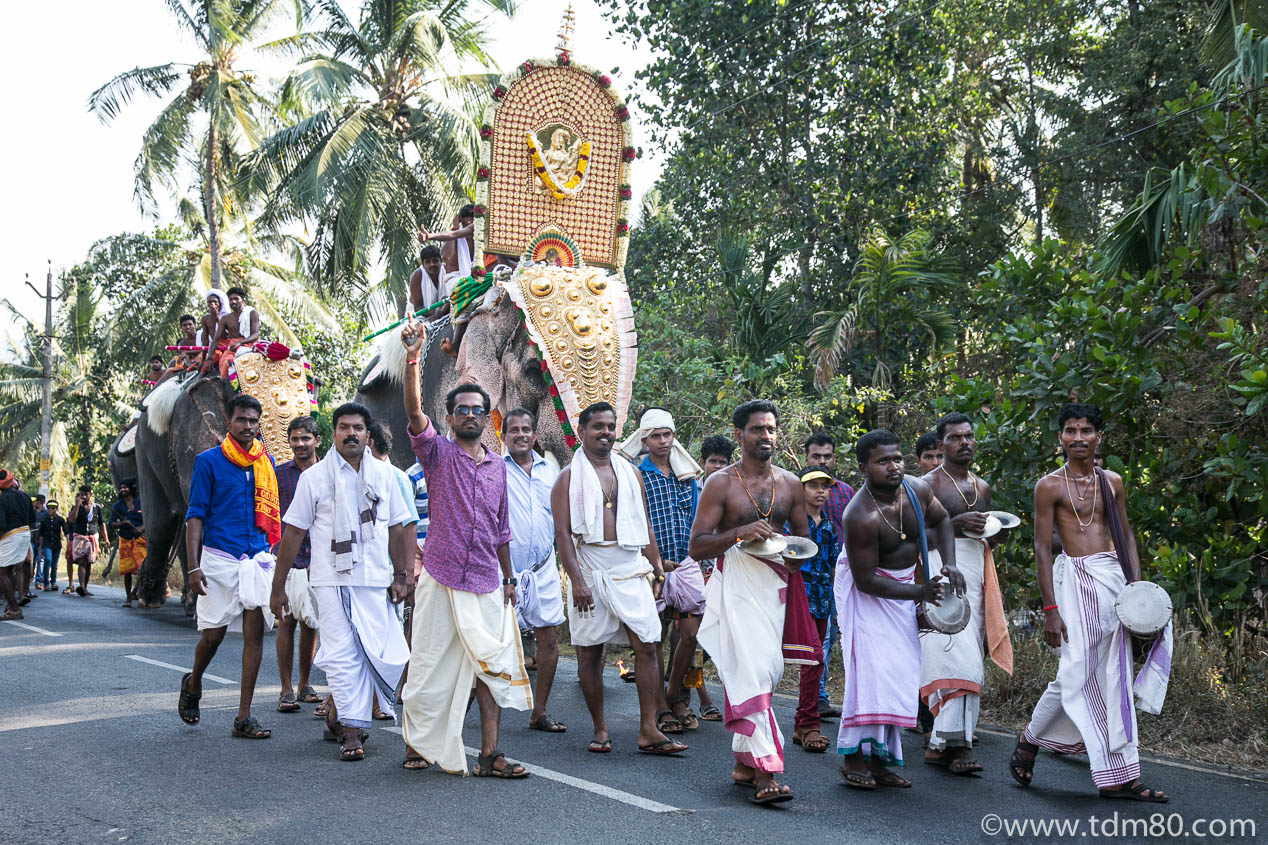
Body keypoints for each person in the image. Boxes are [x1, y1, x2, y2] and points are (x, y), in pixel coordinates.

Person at [1011, 403, 1172, 802]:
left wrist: (1136, 591)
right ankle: (1030, 739)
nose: (1078, 437)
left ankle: (1121, 776)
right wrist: (1050, 610)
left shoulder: (1112, 482)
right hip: (1076, 583)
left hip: (1113, 580)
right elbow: (1041, 549)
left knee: (1115, 676)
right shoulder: (1049, 486)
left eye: (1086, 430)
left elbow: (1127, 536)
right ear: (1060, 437)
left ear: (1099, 436)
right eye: (1070, 430)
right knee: (1076, 673)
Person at [398, 315, 530, 778]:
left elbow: (501, 530)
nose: (470, 414)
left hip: (487, 582)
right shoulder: (436, 453)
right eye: (462, 409)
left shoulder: (497, 467)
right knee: (428, 667)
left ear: (486, 417)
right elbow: (414, 414)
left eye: (478, 409)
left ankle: (490, 753)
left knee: (491, 667)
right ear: (451, 417)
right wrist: (413, 358)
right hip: (441, 576)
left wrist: (509, 578)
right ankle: (418, 743)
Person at [271, 403, 413, 761]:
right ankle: (352, 730)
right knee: (343, 656)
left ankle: (338, 716)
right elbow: (293, 533)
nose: (351, 434)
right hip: (331, 580)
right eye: (344, 427)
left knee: (381, 654)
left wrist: (401, 575)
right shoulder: (315, 478)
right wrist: (278, 585)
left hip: (376, 579)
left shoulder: (385, 475)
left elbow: (398, 527)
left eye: (358, 428)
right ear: (333, 434)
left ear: (368, 435)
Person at [690, 400, 810, 804]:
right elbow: (696, 547)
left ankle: (743, 761)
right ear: (739, 434)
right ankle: (765, 770)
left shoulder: (790, 484)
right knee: (754, 673)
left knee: (766, 673)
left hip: (775, 589)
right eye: (757, 429)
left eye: (771, 429)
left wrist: (792, 558)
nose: (766, 436)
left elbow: (801, 542)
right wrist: (739, 533)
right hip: (737, 585)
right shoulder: (720, 483)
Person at [551, 401, 686, 757]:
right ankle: (600, 727)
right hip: (591, 569)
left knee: (648, 644)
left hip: (630, 566)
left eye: (611, 427)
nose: (606, 433)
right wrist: (576, 582)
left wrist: (656, 567)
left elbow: (644, 525)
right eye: (598, 426)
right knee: (590, 652)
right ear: (581, 431)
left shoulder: (631, 473)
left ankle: (648, 729)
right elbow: (563, 535)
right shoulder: (567, 478)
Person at [836, 429, 962, 790]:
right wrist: (920, 592)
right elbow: (866, 581)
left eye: (897, 459)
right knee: (870, 674)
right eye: (882, 461)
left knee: (898, 673)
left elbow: (942, 520)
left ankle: (880, 761)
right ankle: (852, 757)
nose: (893, 467)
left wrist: (949, 563)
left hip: (904, 588)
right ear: (863, 467)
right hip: (869, 594)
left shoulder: (917, 490)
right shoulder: (859, 514)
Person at [178, 393, 280, 740]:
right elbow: (195, 515)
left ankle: (243, 717)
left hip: (257, 559)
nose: (247, 426)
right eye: (241, 420)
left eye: (253, 421)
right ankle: (194, 683)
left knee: (255, 633)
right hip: (219, 559)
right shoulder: (208, 461)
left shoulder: (265, 461)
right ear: (228, 422)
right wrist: (193, 567)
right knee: (213, 636)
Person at [919, 413, 1013, 775]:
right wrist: (953, 525)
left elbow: (984, 536)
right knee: (950, 659)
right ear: (941, 444)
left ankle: (944, 742)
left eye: (969, 436)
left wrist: (997, 534)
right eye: (955, 438)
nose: (964, 443)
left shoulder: (981, 487)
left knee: (972, 658)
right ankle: (957, 747)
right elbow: (911, 539)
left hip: (974, 576)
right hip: (940, 573)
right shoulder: (926, 485)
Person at [618, 407, 705, 735]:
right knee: (654, 636)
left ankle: (674, 693)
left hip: (685, 563)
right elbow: (634, 520)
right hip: (649, 565)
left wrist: (694, 557)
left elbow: (695, 518)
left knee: (691, 632)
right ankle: (660, 707)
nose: (663, 441)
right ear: (644, 440)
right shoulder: (636, 474)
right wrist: (655, 561)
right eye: (655, 436)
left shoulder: (686, 475)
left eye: (667, 434)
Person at [502, 408, 567, 734]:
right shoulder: (495, 469)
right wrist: (505, 575)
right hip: (504, 571)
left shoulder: (550, 472)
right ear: (503, 436)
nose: (521, 434)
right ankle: (463, 711)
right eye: (514, 430)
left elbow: (559, 520)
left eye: (526, 429)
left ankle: (539, 711)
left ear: (535, 435)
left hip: (543, 569)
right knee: (491, 642)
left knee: (549, 639)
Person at [368, 420, 421, 720]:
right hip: (360, 572)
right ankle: (340, 702)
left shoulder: (397, 478)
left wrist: (405, 574)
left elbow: (408, 526)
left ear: (369, 443)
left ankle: (381, 699)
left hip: (388, 573)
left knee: (387, 638)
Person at [802, 433, 855, 719]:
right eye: (816, 456)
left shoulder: (845, 492)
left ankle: (817, 698)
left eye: (827, 456)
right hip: (807, 581)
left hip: (837, 575)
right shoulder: (797, 492)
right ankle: (815, 701)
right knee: (815, 645)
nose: (823, 460)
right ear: (806, 458)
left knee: (831, 636)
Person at [272, 416, 322, 713]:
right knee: (287, 621)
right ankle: (286, 689)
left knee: (311, 622)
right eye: (295, 439)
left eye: (305, 438)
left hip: (320, 558)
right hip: (287, 558)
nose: (300, 444)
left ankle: (305, 684)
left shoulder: (328, 472)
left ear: (317, 440)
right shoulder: (278, 475)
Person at [789, 466, 839, 754]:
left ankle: (802, 724)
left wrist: (835, 605)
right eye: (813, 485)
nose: (820, 491)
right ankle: (809, 724)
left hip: (822, 600)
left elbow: (832, 567)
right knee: (814, 658)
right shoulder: (792, 523)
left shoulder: (829, 526)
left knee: (814, 660)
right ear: (801, 489)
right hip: (799, 597)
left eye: (825, 486)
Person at [689, 435, 734, 723]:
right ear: (702, 462)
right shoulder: (692, 489)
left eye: (723, 462)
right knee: (694, 638)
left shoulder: (735, 490)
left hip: (727, 571)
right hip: (695, 572)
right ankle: (702, 697)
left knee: (720, 638)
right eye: (713, 461)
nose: (717, 466)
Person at [0, 470, 37, 620]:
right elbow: (32, 519)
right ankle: (11, 606)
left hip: (10, 535)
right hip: (25, 534)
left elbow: (1, 524)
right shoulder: (24, 496)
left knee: (2, 573)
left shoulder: (2, 499)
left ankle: (14, 608)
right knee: (10, 569)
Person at [204, 287, 260, 380]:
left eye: (236, 299)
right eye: (231, 299)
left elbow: (255, 335)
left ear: (242, 300)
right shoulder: (225, 318)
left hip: (251, 345)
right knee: (225, 362)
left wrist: (240, 343)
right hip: (233, 348)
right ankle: (230, 385)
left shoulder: (252, 313)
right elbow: (216, 339)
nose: (233, 302)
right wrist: (209, 358)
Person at [108, 480, 146, 607]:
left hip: (140, 540)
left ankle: (141, 593)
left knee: (143, 568)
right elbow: (111, 524)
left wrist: (141, 528)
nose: (122, 490)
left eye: (125, 487)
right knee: (127, 571)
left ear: (131, 488)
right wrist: (121, 524)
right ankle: (129, 598)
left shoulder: (140, 502)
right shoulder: (117, 505)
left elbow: (148, 519)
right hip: (125, 540)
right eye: (121, 488)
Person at [64, 485, 107, 597]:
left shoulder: (97, 508)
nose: (83, 496)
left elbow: (102, 524)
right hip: (80, 537)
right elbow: (71, 520)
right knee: (81, 562)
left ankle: (85, 588)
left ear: (90, 495)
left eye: (85, 494)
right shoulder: (76, 507)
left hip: (92, 538)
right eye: (81, 494)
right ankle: (82, 586)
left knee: (88, 563)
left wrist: (106, 539)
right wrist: (77, 506)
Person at [408, 245, 452, 315]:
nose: (432, 265)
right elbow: (418, 308)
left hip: (443, 313)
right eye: (427, 262)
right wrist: (437, 314)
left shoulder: (448, 270)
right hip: (418, 316)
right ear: (422, 264)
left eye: (435, 261)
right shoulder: (417, 276)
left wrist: (440, 313)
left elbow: (454, 296)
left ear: (441, 261)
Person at [199, 290, 230, 375]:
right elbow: (205, 340)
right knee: (204, 368)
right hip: (215, 348)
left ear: (219, 303)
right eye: (209, 302)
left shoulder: (227, 317)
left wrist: (217, 318)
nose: (212, 304)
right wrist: (203, 359)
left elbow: (225, 335)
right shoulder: (205, 319)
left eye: (215, 302)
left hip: (227, 347)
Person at [36, 500, 65, 591]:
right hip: (47, 544)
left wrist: (69, 542)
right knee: (48, 560)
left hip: (56, 544)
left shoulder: (60, 520)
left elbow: (66, 531)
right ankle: (46, 583)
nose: (50, 510)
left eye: (53, 508)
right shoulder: (44, 520)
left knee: (54, 564)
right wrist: (41, 549)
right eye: (48, 508)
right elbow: (41, 535)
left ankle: (53, 582)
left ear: (56, 509)